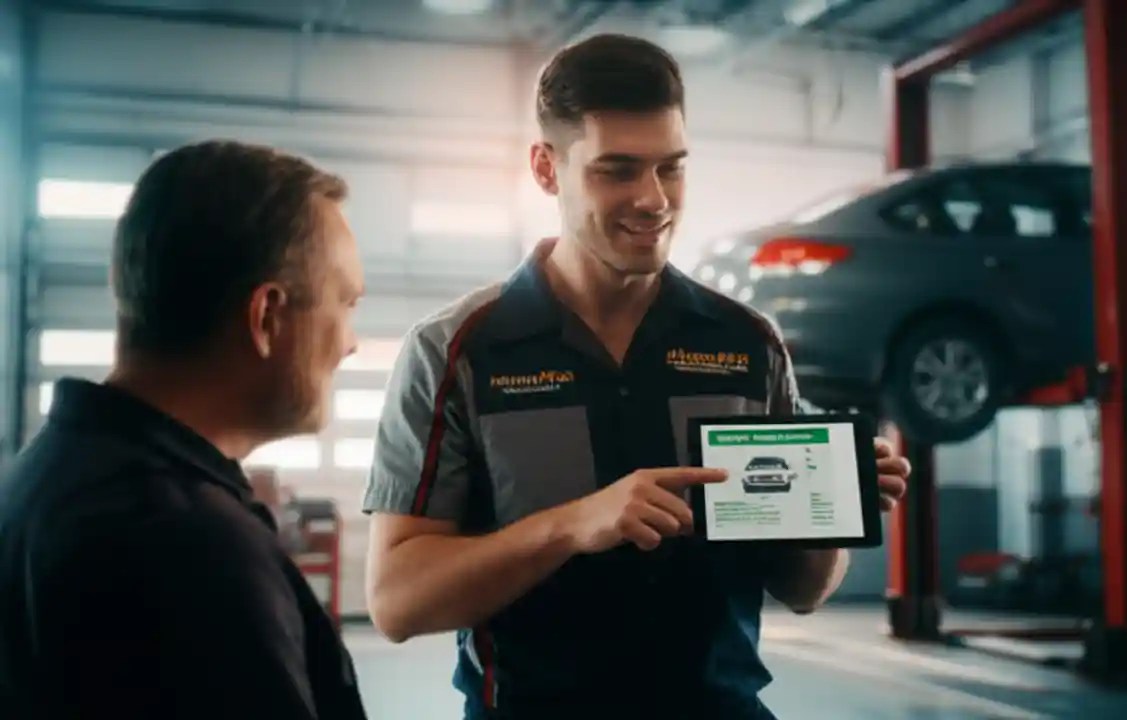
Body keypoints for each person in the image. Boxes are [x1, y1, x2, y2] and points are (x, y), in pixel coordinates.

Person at [362, 34, 910, 719]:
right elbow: (396, 600)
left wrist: (836, 505)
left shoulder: (747, 344)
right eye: (617, 170)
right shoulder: (457, 352)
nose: (653, 200)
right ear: (545, 168)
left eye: (671, 168)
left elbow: (802, 588)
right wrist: (572, 526)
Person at [0, 140, 368, 719]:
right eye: (346, 304)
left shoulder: (45, 476)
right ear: (267, 317)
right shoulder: (193, 549)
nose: (351, 343)